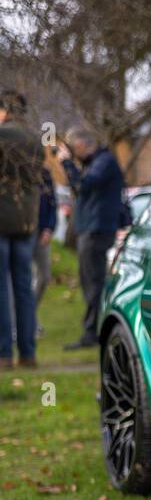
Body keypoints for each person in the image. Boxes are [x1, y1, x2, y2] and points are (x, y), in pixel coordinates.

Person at [58, 126, 124, 350]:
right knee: (89, 280)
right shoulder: (95, 163)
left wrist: (67, 163)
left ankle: (92, 333)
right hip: (91, 228)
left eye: (74, 149)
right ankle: (93, 331)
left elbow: (83, 186)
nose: (73, 153)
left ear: (83, 145)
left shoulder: (104, 162)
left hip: (97, 230)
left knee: (94, 281)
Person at [0, 89, 45, 369]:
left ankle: (4, 353)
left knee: (1, 289)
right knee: (24, 289)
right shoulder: (36, 141)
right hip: (27, 221)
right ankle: (28, 352)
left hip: (1, 220)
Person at [32, 165, 56, 334]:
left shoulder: (44, 173)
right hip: (19, 233)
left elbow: (52, 202)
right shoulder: (13, 169)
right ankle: (28, 323)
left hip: (41, 232)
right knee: (21, 279)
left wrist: (49, 227)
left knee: (44, 275)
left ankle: (27, 314)